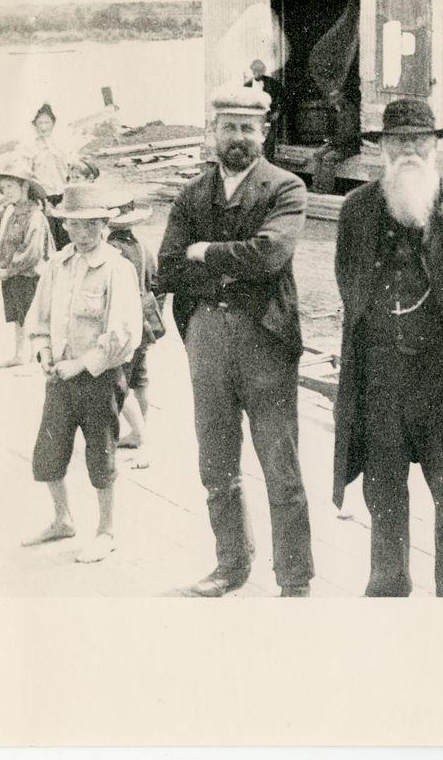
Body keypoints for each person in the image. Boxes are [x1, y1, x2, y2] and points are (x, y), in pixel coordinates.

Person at [334, 98, 443, 597]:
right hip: (382, 385)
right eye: (398, 141)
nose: (409, 150)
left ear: (435, 145)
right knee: (383, 496)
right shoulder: (356, 209)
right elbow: (349, 287)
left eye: (418, 140)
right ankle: (388, 591)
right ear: (383, 148)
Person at [158, 86, 315, 598]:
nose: (238, 137)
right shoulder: (193, 194)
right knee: (215, 462)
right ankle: (231, 564)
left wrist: (204, 251)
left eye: (248, 128)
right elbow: (169, 265)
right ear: (213, 132)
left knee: (280, 466)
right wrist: (223, 266)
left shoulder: (286, 188)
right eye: (229, 127)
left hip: (264, 338)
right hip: (206, 335)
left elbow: (269, 255)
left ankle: (294, 579)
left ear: (264, 133)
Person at [22, 184, 143, 564]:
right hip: (59, 378)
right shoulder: (58, 264)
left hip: (99, 379)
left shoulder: (118, 268)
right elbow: (39, 316)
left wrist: (82, 364)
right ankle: (63, 519)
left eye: (91, 224)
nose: (83, 232)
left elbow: (124, 333)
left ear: (106, 225)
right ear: (65, 226)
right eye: (74, 225)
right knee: (48, 453)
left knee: (100, 456)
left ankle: (106, 531)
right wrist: (44, 351)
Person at [0, 158, 53, 367]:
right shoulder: (6, 214)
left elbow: (33, 251)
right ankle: (19, 354)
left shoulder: (35, 216)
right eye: (4, 188)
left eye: (11, 187)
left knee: (32, 314)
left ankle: (34, 357)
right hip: (10, 274)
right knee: (18, 315)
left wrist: (11, 269)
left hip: (30, 275)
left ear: (25, 186)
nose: (7, 192)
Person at [105, 193, 160, 468]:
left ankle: (138, 434)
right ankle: (141, 430)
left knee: (119, 383)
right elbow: (156, 284)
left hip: (125, 322)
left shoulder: (111, 250)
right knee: (140, 381)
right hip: (144, 324)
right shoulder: (143, 247)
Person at [16, 103, 72, 250]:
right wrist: (41, 199)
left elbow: (69, 171)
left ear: (53, 124)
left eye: (47, 122)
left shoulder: (60, 145)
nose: (43, 126)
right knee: (49, 235)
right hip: (43, 197)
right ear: (35, 125)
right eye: (40, 123)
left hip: (63, 194)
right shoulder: (30, 148)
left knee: (67, 232)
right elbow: (27, 175)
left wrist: (67, 194)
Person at [245, 59, 285, 164]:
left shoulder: (273, 83)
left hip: (268, 117)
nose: (256, 73)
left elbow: (283, 99)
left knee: (269, 144)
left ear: (263, 70)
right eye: (254, 70)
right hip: (253, 118)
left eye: (259, 70)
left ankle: (268, 165)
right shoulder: (246, 85)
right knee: (253, 143)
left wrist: (278, 112)